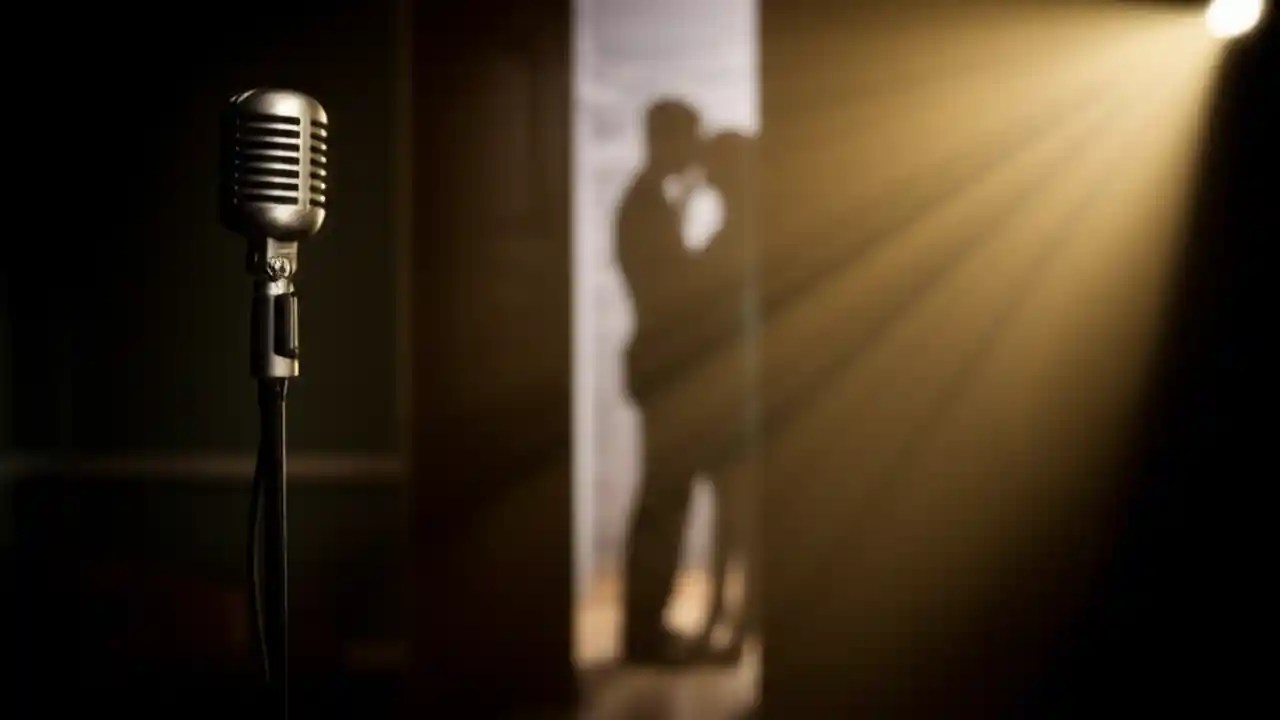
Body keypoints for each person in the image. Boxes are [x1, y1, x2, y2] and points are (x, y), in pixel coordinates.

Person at [617, 99, 705, 664]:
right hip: (667, 366)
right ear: (665, 138)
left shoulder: (648, 201)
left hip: (661, 364)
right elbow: (670, 290)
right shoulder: (646, 205)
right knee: (664, 497)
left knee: (663, 495)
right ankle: (645, 632)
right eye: (688, 139)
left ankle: (647, 625)